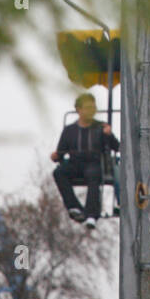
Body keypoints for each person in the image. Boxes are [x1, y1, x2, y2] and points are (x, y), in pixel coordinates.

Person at [51, 92, 119, 229]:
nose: (91, 111)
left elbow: (117, 147)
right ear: (79, 110)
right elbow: (61, 152)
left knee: (93, 175)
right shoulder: (69, 130)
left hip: (94, 161)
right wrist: (56, 156)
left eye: (93, 108)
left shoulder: (101, 127)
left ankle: (91, 214)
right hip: (75, 162)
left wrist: (109, 135)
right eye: (87, 108)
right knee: (59, 172)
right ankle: (74, 207)